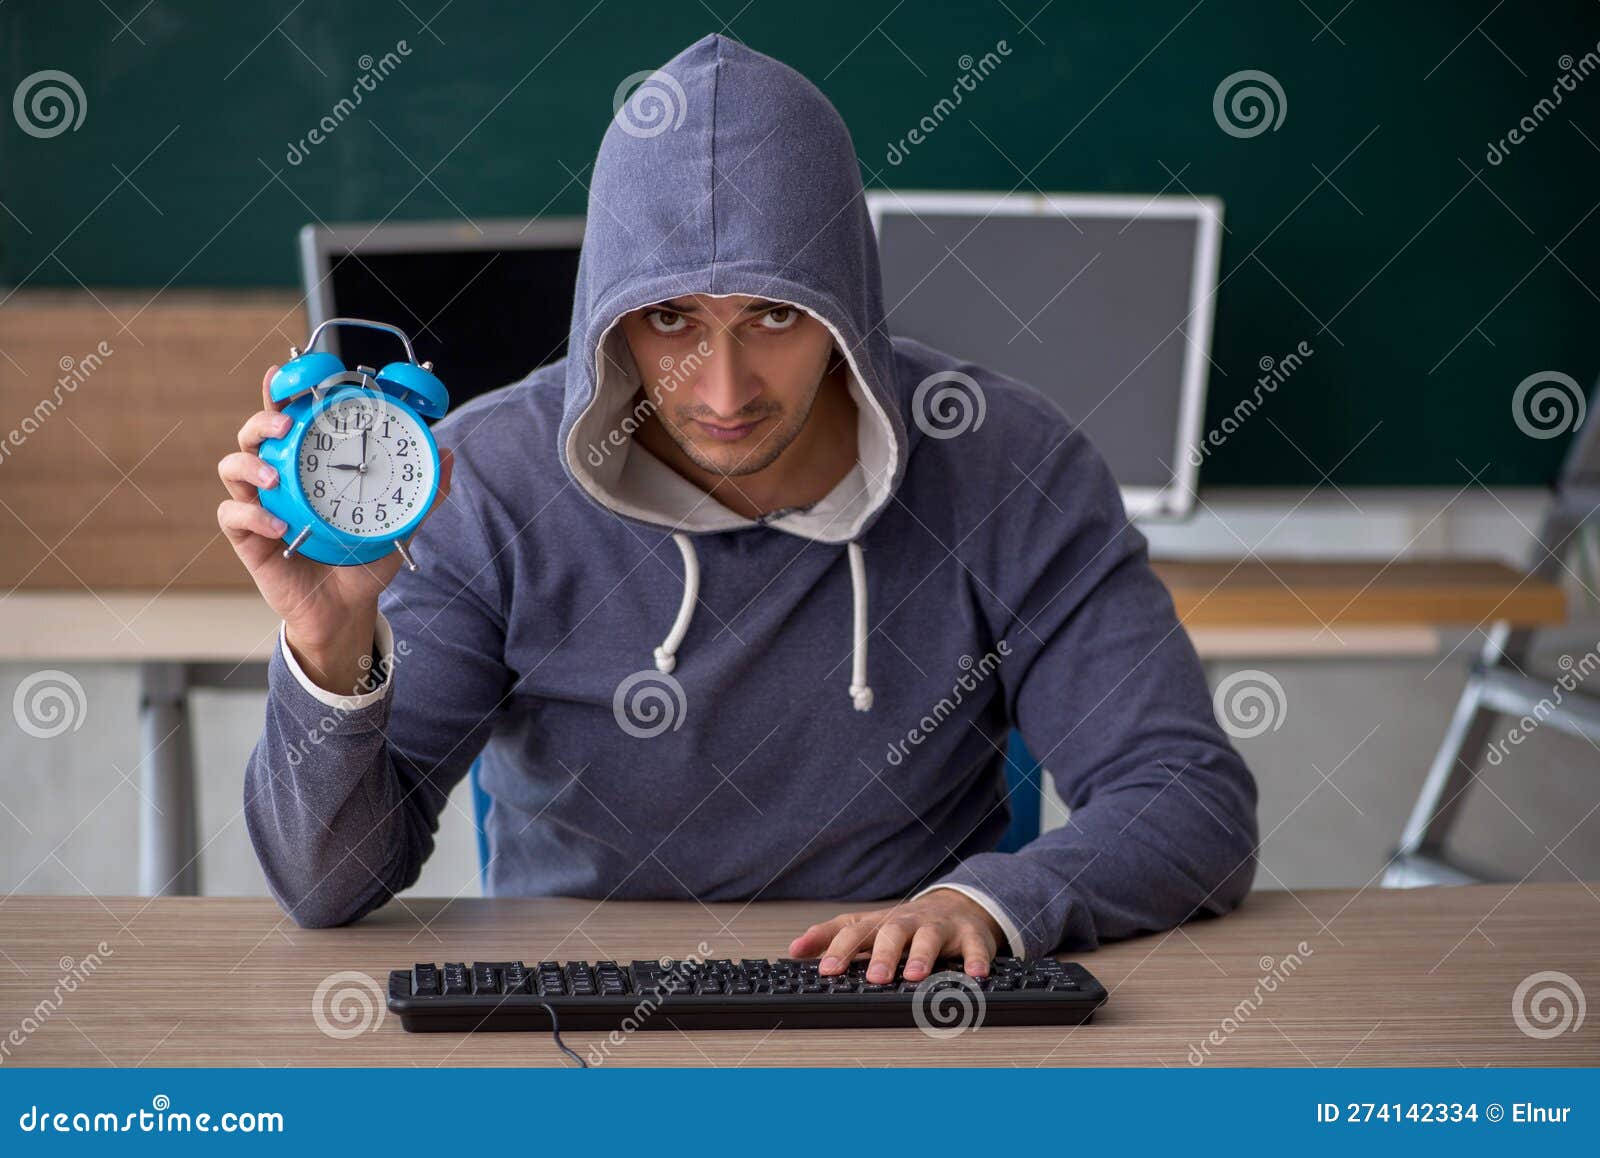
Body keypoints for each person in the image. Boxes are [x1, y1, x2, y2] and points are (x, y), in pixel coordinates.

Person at [218, 34, 1258, 984]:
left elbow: (1186, 795)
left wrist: (988, 900)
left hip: (907, 1013)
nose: (721, 392)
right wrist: (329, 641)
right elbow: (328, 885)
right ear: (607, 321)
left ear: (850, 300)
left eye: (775, 315)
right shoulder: (486, 482)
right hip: (571, 1018)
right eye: (669, 320)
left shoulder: (1006, 464)